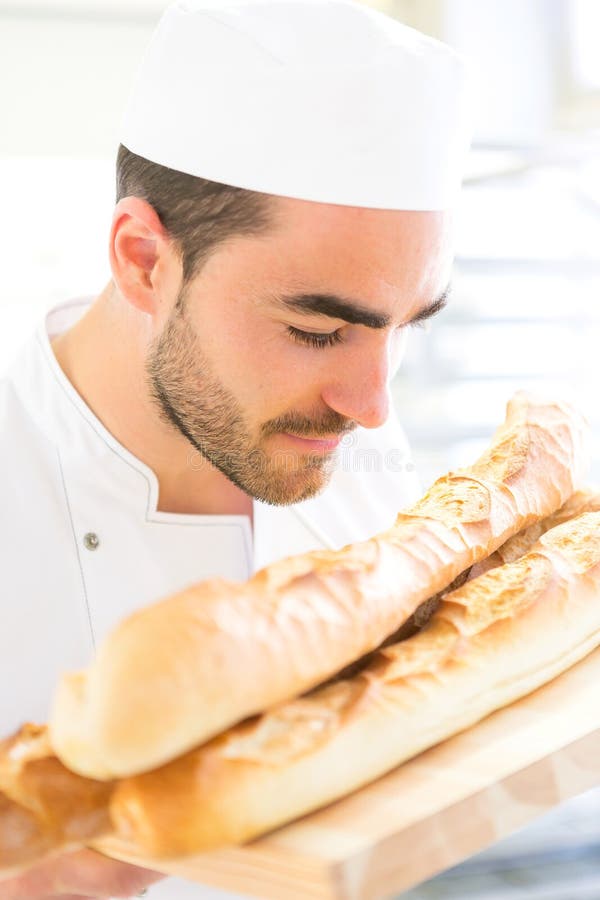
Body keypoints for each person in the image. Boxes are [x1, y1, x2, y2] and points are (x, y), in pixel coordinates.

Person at [0, 0, 473, 897]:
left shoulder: (358, 456)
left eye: (405, 329)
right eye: (318, 330)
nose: (373, 408)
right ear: (143, 260)